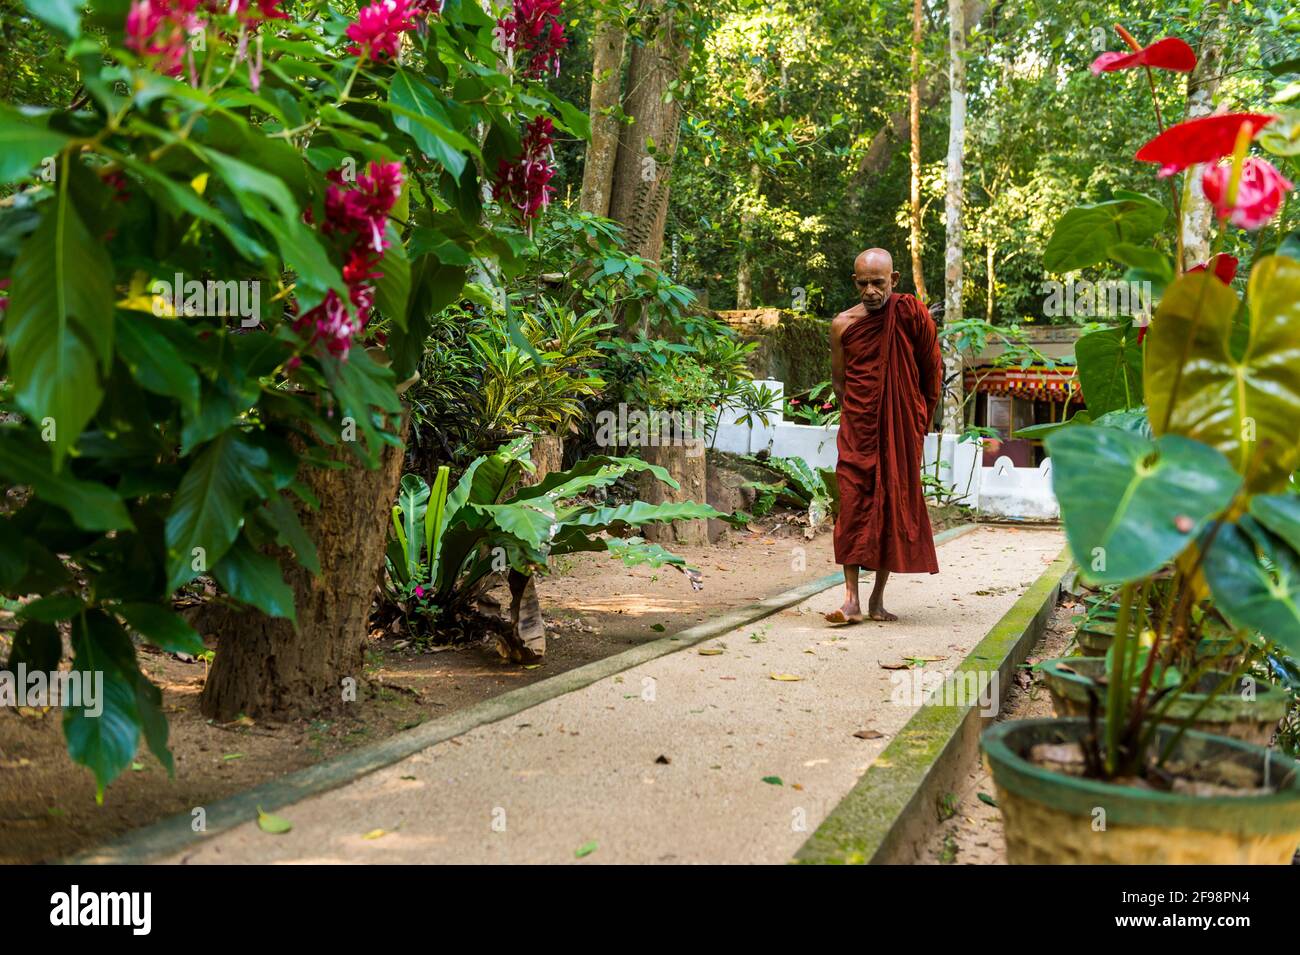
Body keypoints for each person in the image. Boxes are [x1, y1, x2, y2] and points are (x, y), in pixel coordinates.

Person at [824, 248, 942, 624]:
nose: (871, 291)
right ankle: (850, 600)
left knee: (892, 503)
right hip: (858, 427)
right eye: (863, 283)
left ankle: (877, 600)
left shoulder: (910, 314)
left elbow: (930, 371)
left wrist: (914, 417)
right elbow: (840, 383)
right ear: (854, 281)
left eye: (878, 282)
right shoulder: (843, 324)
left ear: (895, 279)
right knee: (851, 503)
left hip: (901, 427)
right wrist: (865, 411)